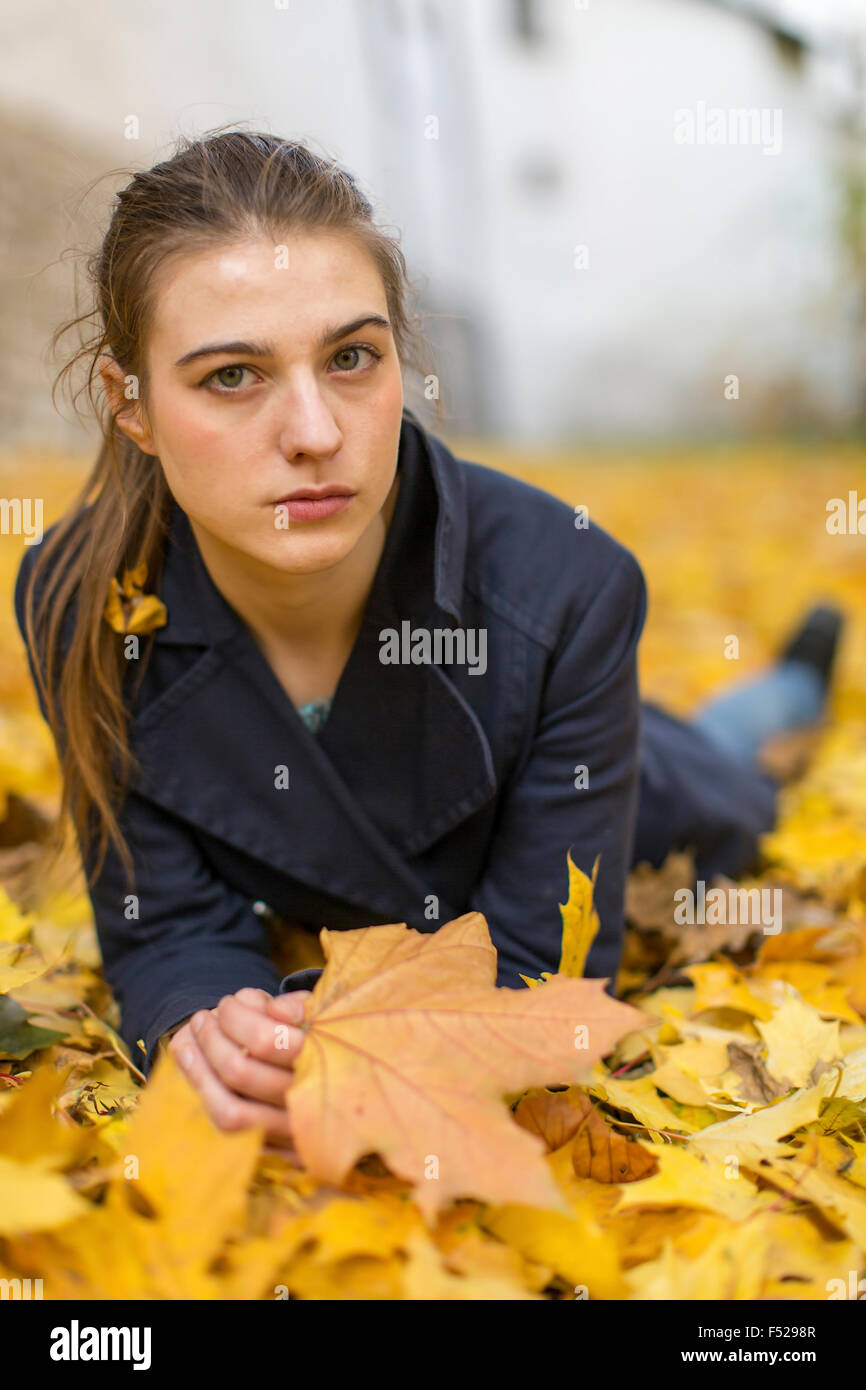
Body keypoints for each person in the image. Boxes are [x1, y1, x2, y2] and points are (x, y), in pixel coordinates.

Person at [12, 130, 843, 1153]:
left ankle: (796, 680)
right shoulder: (81, 594)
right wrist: (209, 1028)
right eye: (233, 376)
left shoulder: (565, 585)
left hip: (646, 803)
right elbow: (164, 922)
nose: (314, 430)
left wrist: (319, 1030)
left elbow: (541, 975)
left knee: (733, 758)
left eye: (351, 357)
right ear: (128, 406)